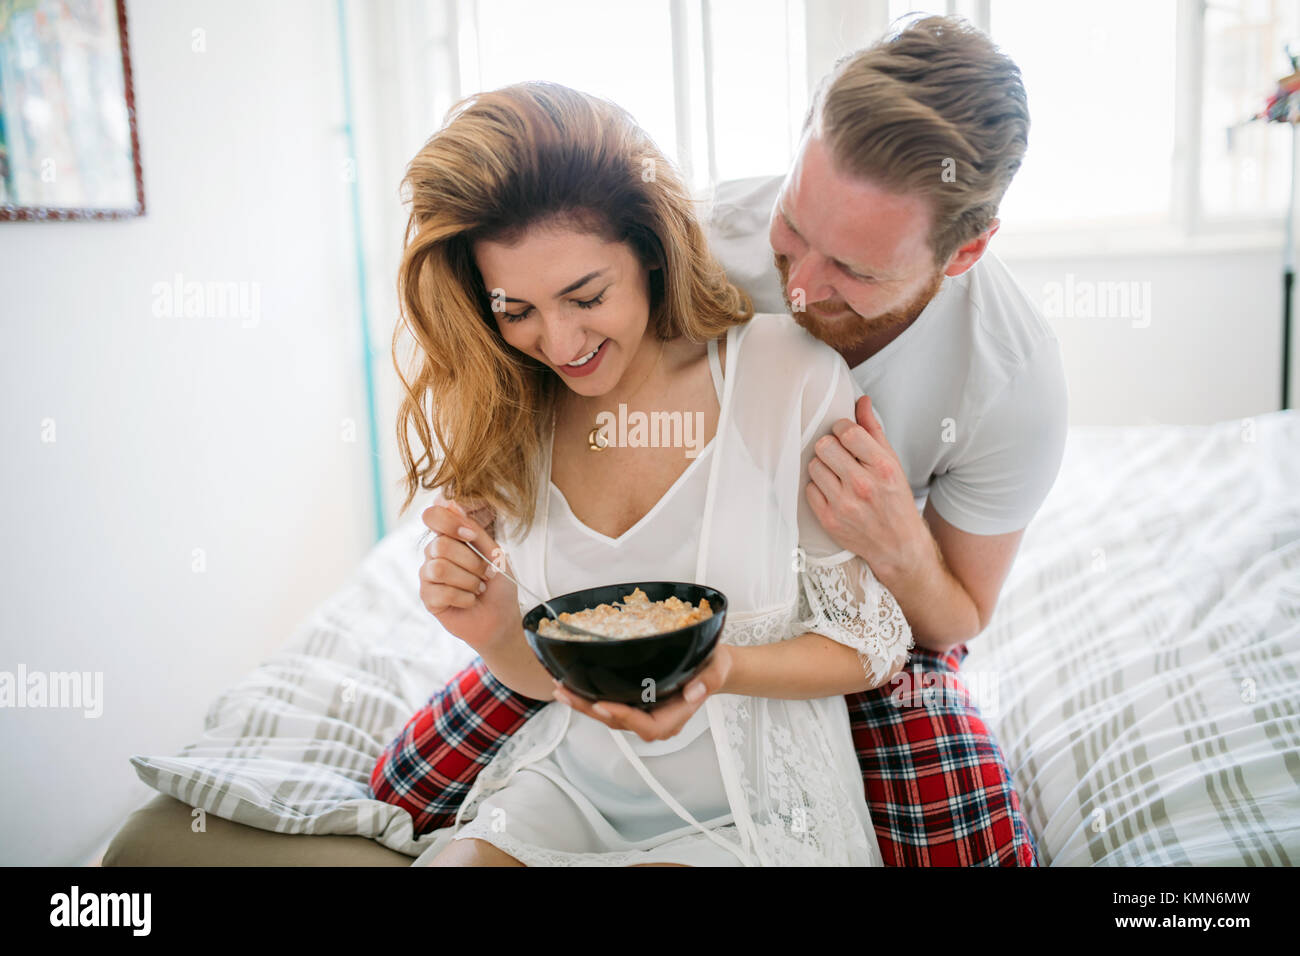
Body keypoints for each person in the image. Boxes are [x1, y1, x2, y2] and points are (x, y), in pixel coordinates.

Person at [373, 14, 1062, 866]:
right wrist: (493, 565)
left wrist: (896, 544)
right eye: (794, 231)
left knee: (975, 841)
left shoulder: (1008, 380)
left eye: (854, 270)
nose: (802, 291)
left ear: (964, 253)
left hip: (853, 614)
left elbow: (947, 620)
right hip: (607, 683)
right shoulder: (682, 237)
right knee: (398, 798)